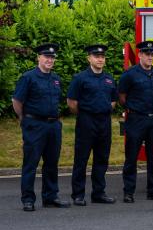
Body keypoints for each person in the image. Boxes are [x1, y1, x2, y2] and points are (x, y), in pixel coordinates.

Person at [13, 43, 70, 211]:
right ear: (39, 57)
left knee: (52, 163)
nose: (49, 60)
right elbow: (17, 101)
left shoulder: (56, 79)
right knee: (31, 163)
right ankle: (28, 199)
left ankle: (50, 197)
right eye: (46, 57)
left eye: (52, 57)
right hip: (35, 125)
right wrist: (24, 119)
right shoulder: (28, 77)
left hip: (53, 125)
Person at [67, 44, 118, 206]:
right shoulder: (80, 78)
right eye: (96, 56)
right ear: (89, 58)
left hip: (104, 121)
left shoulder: (109, 78)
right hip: (86, 121)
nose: (100, 59)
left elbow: (113, 100)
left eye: (102, 57)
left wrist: (105, 110)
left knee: (102, 159)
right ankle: (78, 194)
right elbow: (71, 102)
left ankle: (99, 193)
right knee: (81, 159)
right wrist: (84, 115)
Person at [118, 40, 153, 203]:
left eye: (152, 54)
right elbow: (122, 96)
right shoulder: (130, 74)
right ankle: (128, 192)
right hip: (136, 119)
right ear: (140, 55)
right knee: (131, 157)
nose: (150, 57)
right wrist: (134, 108)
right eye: (147, 54)